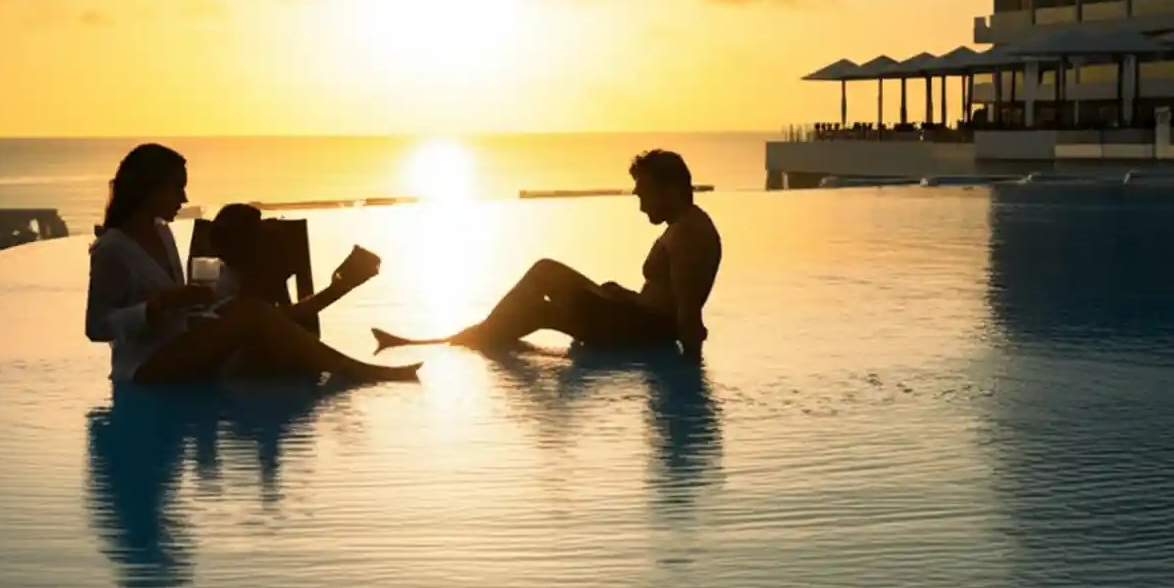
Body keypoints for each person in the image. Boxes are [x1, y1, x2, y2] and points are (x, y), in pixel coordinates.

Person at [84, 143, 420, 384]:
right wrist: (154, 307)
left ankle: (350, 371)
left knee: (255, 318)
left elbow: (182, 310)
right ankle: (358, 372)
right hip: (142, 367)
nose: (184, 198)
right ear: (150, 189)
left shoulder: (163, 234)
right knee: (253, 315)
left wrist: (193, 303)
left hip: (182, 343)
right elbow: (96, 327)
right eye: (177, 188)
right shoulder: (113, 249)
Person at [372, 149, 722, 361]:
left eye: (644, 193)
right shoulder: (685, 226)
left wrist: (691, 376)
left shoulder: (689, 235)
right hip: (635, 319)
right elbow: (667, 299)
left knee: (545, 271)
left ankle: (466, 336)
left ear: (671, 190)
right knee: (539, 310)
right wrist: (628, 296)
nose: (640, 203)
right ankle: (459, 338)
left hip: (638, 331)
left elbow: (687, 315)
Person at [206, 202, 378, 328]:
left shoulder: (230, 277)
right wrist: (341, 287)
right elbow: (276, 321)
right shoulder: (242, 291)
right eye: (261, 236)